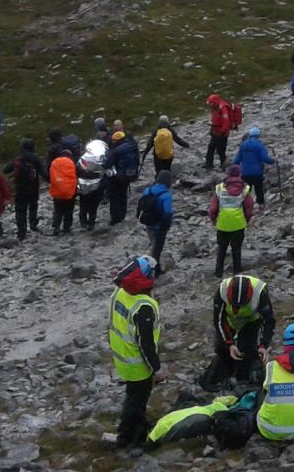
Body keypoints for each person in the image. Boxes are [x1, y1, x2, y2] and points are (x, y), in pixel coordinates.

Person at [109, 255, 162, 449]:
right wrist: (156, 368)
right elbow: (145, 343)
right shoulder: (144, 307)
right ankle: (130, 436)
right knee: (137, 400)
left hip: (121, 354)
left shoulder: (120, 292)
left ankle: (132, 429)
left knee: (132, 396)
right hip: (137, 363)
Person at [208, 274, 277, 387]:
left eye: (242, 305)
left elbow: (269, 320)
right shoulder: (221, 291)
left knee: (247, 351)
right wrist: (229, 343)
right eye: (234, 305)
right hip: (229, 321)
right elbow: (219, 320)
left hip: (251, 321)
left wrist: (263, 345)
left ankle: (242, 381)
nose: (238, 309)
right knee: (221, 348)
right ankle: (225, 374)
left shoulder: (260, 293)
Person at [4, 137, 45, 240]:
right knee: (33, 206)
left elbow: (5, 170)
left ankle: (21, 232)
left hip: (20, 187)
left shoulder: (18, 158)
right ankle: (33, 225)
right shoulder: (36, 159)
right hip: (33, 187)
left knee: (20, 209)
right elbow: (44, 173)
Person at [137, 170, 174, 264]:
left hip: (148, 223)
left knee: (153, 245)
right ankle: (154, 269)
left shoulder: (148, 190)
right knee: (157, 250)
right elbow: (167, 213)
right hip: (159, 227)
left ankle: (152, 266)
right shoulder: (166, 195)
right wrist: (166, 227)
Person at [105, 128, 140, 226]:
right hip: (130, 175)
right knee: (123, 195)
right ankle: (122, 215)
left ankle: (115, 219)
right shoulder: (132, 146)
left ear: (116, 140)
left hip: (118, 177)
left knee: (114, 197)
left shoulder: (117, 150)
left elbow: (108, 164)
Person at [237, 127, 276, 205]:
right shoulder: (259, 145)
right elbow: (265, 158)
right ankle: (260, 206)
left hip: (245, 173)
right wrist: (273, 160)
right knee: (259, 191)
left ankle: (244, 207)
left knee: (246, 191)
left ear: (250, 135)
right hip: (257, 172)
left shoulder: (243, 145)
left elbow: (237, 160)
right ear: (258, 135)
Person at [77, 137, 108, 230]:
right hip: (96, 187)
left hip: (84, 186)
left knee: (83, 205)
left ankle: (83, 221)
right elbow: (105, 173)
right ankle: (91, 223)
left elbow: (78, 172)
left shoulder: (82, 159)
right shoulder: (102, 160)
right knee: (93, 206)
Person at [48, 143, 77, 235]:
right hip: (69, 191)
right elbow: (78, 174)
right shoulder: (72, 162)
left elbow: (50, 175)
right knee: (69, 210)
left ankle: (56, 227)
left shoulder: (54, 162)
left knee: (58, 210)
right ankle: (66, 228)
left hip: (57, 190)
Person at [204, 94, 239, 170]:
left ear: (215, 102)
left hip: (221, 133)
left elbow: (226, 121)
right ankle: (211, 164)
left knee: (220, 149)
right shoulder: (215, 107)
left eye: (211, 103)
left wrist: (223, 131)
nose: (210, 105)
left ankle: (219, 164)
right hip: (216, 130)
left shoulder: (223, 108)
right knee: (212, 147)